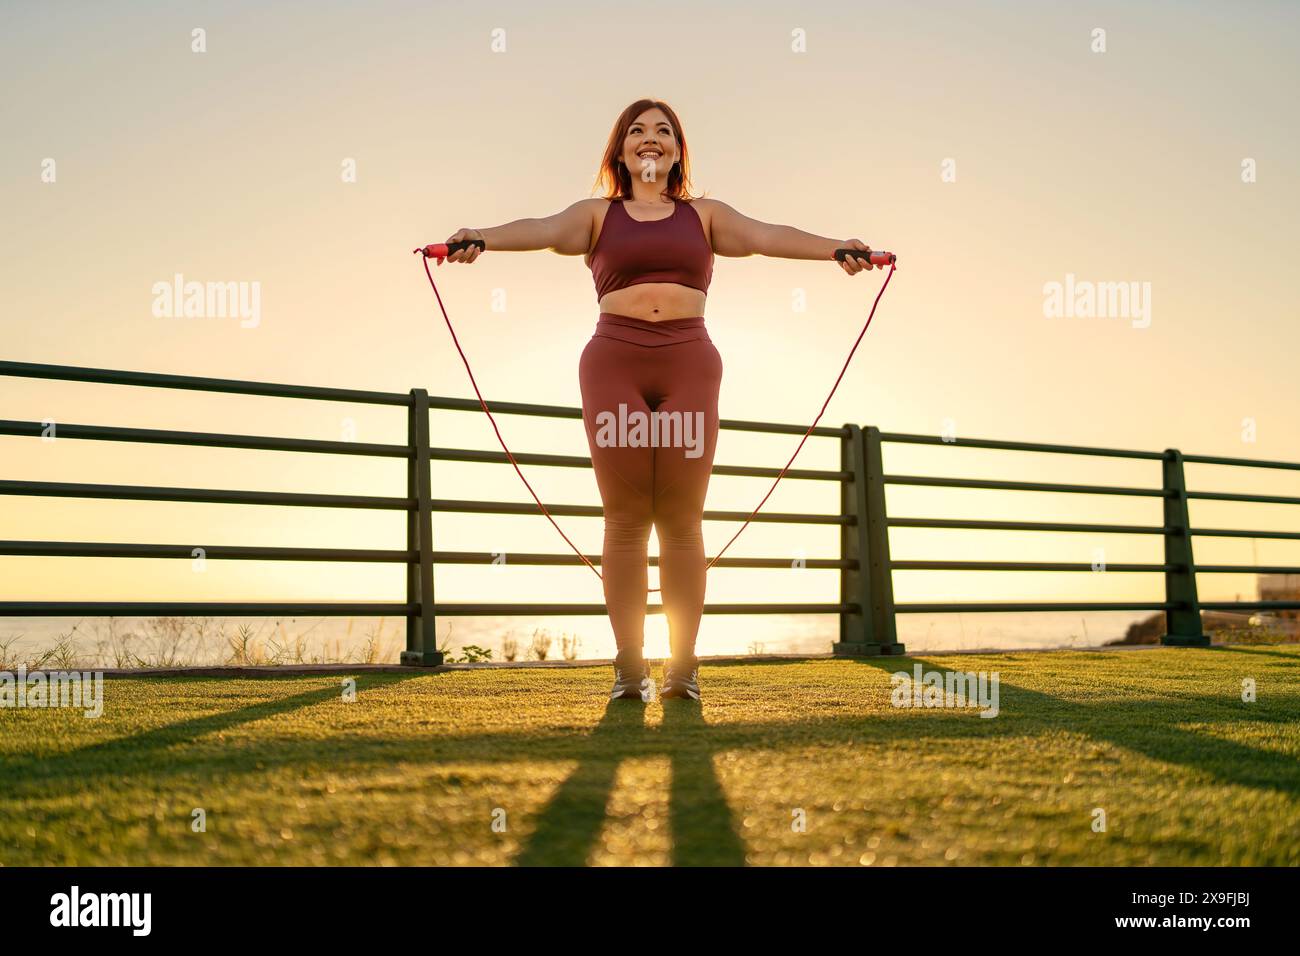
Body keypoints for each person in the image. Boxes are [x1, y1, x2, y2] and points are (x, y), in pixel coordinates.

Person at [438, 99, 881, 702]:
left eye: (663, 131)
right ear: (621, 151)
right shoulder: (597, 215)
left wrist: (836, 246)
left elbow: (767, 235)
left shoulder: (705, 217)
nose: (651, 139)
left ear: (677, 151)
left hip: (688, 362)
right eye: (637, 132)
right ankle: (628, 669)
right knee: (624, 521)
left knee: (681, 521)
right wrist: (481, 237)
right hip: (613, 362)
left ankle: (683, 669)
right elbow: (541, 230)